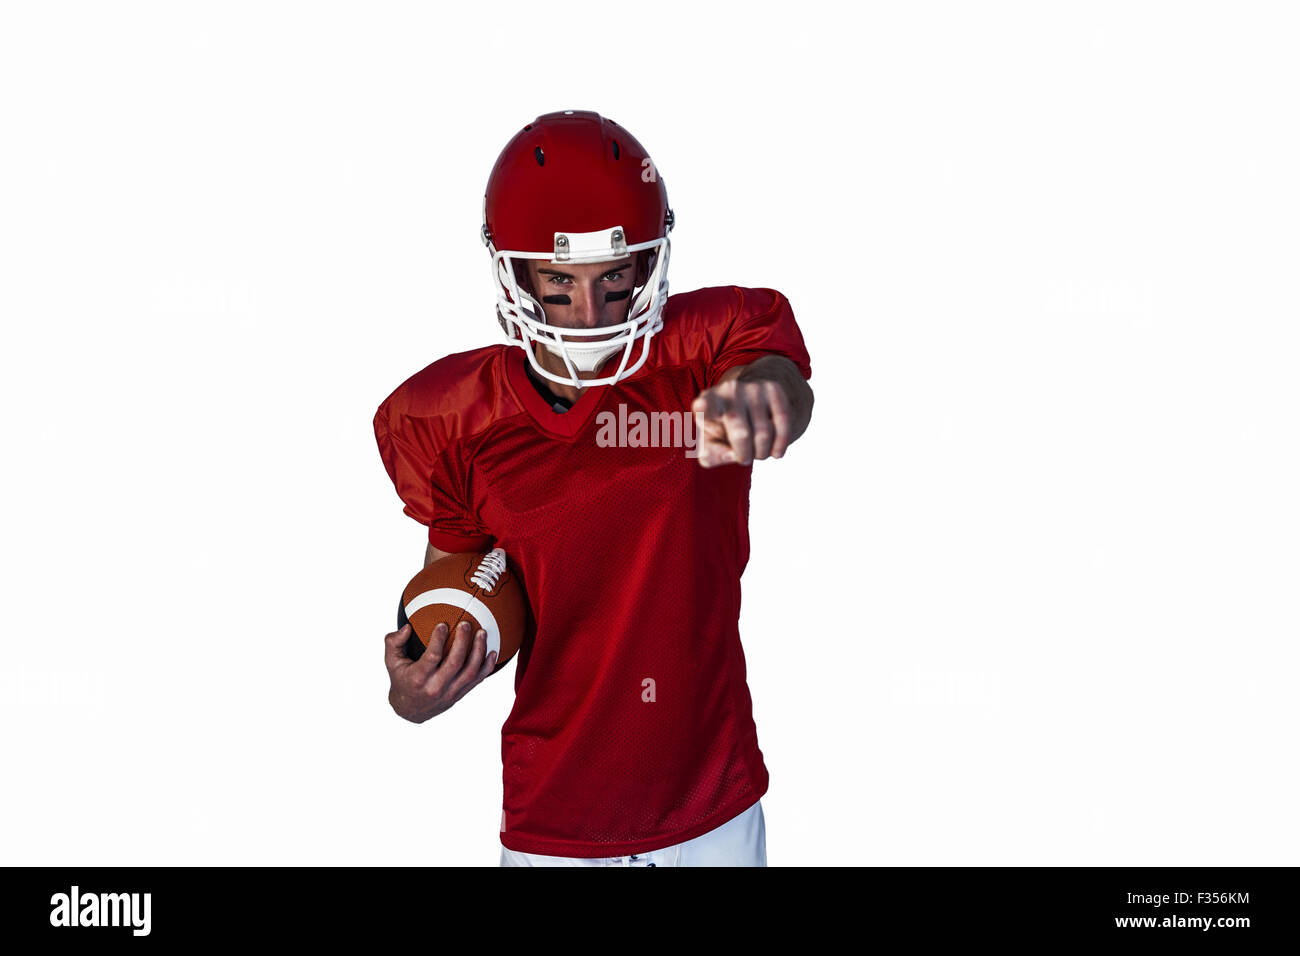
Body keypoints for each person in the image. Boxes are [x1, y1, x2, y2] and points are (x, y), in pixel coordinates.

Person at [373, 110, 813, 866]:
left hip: (714, 802)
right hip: (559, 816)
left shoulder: (704, 352)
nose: (591, 315)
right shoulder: (453, 418)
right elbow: (470, 589)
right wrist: (420, 687)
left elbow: (779, 377)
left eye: (615, 279)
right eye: (559, 282)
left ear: (648, 265)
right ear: (515, 274)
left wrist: (767, 396)